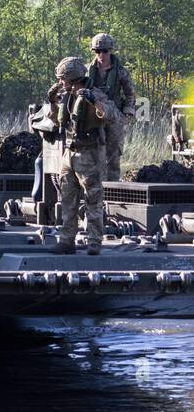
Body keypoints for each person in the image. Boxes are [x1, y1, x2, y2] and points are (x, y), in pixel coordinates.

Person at [48, 56, 118, 255]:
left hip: (90, 154)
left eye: (63, 78)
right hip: (69, 153)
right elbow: (56, 119)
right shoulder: (67, 97)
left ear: (72, 78)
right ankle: (66, 240)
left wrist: (95, 102)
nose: (60, 82)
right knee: (67, 199)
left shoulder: (94, 95)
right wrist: (52, 102)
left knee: (93, 199)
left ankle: (94, 241)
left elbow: (110, 115)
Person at [84, 32, 136, 181]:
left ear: (110, 50)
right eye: (98, 51)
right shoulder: (87, 71)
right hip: (93, 117)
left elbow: (130, 94)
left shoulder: (121, 71)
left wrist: (127, 113)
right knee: (94, 155)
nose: (101, 54)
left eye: (105, 51)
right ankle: (94, 192)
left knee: (113, 156)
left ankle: (113, 190)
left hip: (114, 117)